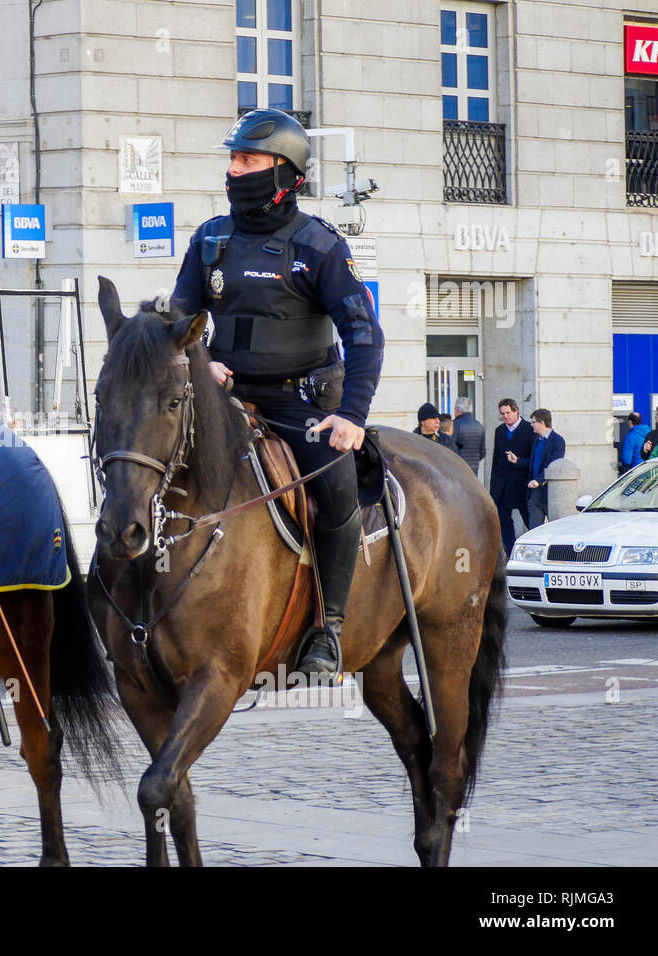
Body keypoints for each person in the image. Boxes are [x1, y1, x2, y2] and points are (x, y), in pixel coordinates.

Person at [172, 108, 384, 680]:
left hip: (302, 404)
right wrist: (201, 361)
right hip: (225, 398)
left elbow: (364, 336)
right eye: (233, 159)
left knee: (337, 488)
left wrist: (351, 416)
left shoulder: (320, 245)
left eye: (248, 160)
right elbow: (180, 321)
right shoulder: (209, 238)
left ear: (285, 171)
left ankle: (329, 629)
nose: (235, 171)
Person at [489, 397, 535, 555]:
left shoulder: (529, 429)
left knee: (530, 520)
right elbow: (496, 460)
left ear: (516, 411)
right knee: (504, 522)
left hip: (522, 484)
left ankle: (534, 550)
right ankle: (510, 553)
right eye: (502, 413)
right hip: (503, 486)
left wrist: (519, 461)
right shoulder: (500, 431)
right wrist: (493, 489)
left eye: (508, 412)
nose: (505, 416)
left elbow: (534, 460)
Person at [525, 408, 566, 528]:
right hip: (535, 493)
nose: (531, 425)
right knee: (534, 529)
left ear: (542, 422)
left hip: (549, 493)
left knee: (556, 529)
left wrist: (538, 480)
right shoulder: (536, 440)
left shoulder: (557, 441)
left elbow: (552, 465)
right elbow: (533, 463)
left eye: (533, 422)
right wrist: (517, 461)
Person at [452, 396, 486, 478]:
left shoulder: (454, 425)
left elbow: (451, 447)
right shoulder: (479, 425)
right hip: (473, 469)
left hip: (457, 468)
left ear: (457, 410)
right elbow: (483, 451)